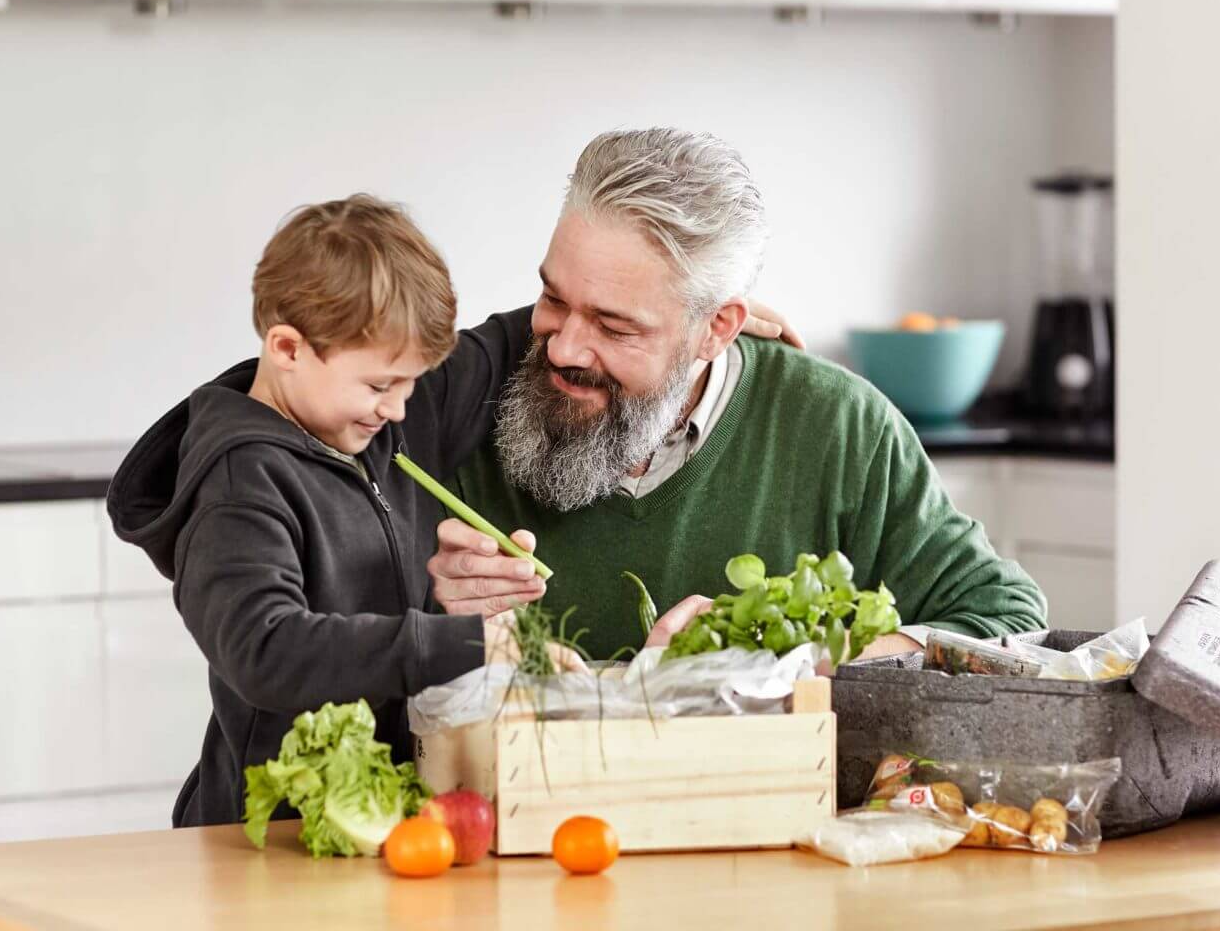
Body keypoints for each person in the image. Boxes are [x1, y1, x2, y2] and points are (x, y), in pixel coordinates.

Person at [431, 128, 1048, 661]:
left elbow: (1012, 624)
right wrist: (432, 616)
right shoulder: (463, 403)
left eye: (614, 326)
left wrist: (796, 662)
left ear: (717, 327)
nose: (563, 348)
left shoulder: (837, 426)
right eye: (553, 299)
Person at [106, 194, 583, 829]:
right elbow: (266, 648)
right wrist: (474, 644)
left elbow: (526, 335)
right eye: (383, 386)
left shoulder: (374, 413)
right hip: (267, 834)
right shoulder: (238, 483)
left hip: (376, 817)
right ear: (287, 347)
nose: (402, 410)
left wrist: (688, 322)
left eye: (416, 381)